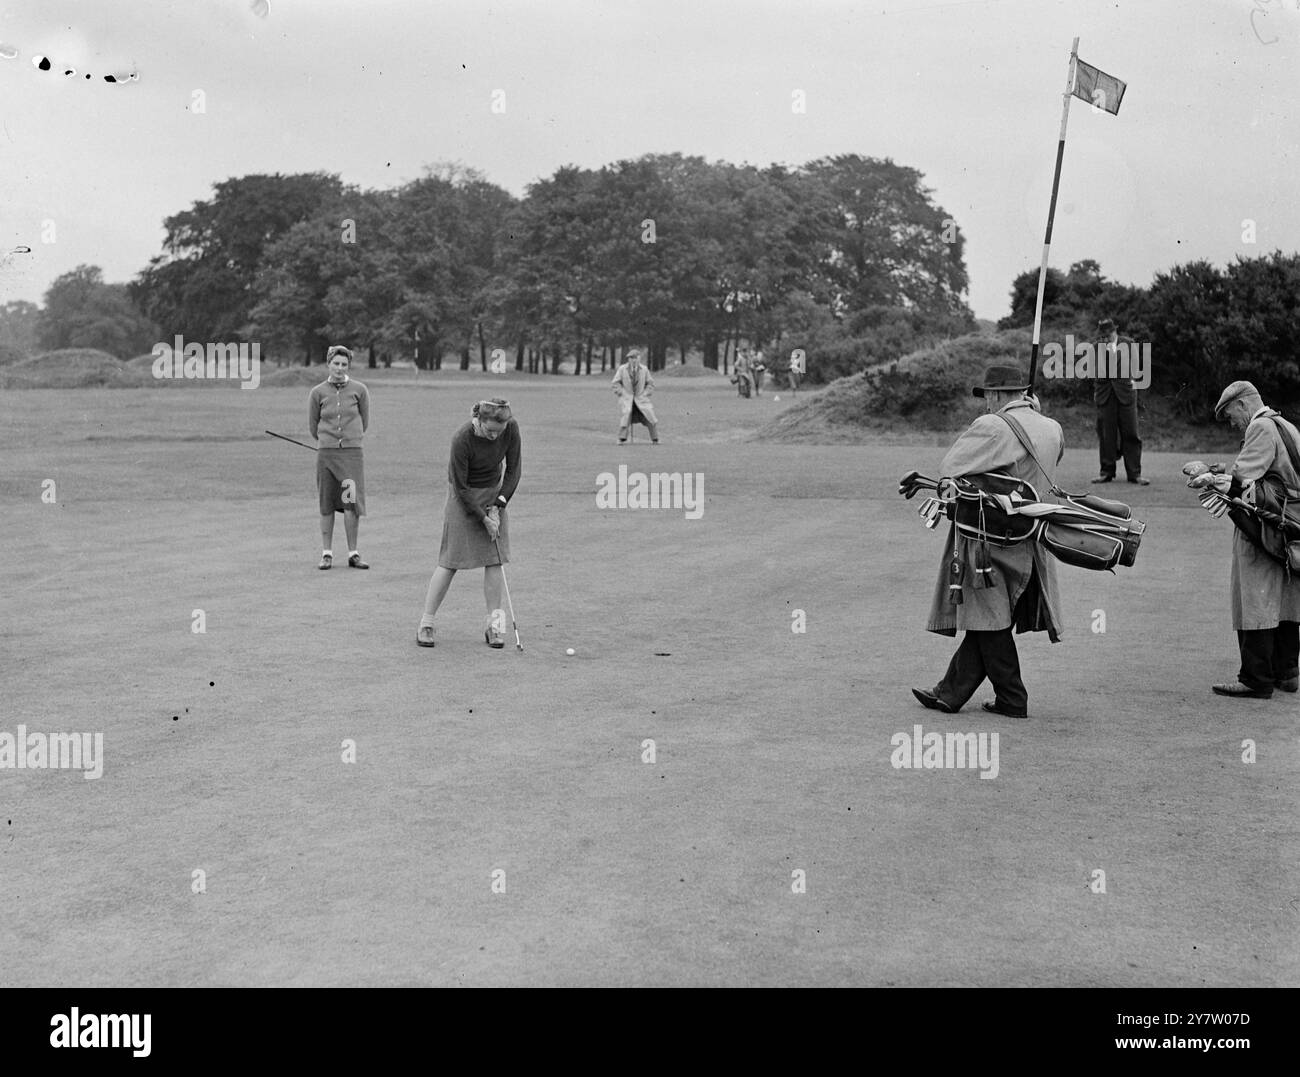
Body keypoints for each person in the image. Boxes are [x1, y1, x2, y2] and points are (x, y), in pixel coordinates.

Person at [911, 365, 1065, 719]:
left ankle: (1012, 699)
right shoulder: (1052, 426)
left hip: (991, 536)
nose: (985, 404)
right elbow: (1053, 461)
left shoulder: (991, 426)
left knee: (990, 617)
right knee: (990, 617)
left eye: (987, 397)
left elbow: (950, 467)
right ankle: (950, 693)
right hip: (1035, 537)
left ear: (996, 395)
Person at [1189, 381, 1300, 698]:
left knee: (1252, 594)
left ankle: (1256, 679)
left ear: (1242, 404)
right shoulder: (1285, 425)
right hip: (1290, 525)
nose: (1231, 424)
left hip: (1264, 527)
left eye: (1228, 416)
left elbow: (1241, 481)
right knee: (1287, 597)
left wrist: (1211, 480)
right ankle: (1287, 673)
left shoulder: (1261, 428)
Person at [416, 399, 522, 648]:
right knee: (450, 561)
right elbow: (460, 486)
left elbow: (514, 470)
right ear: (479, 420)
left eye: (500, 430)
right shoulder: (462, 438)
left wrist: (498, 505)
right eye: (489, 430)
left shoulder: (511, 428)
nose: (495, 435)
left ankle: (494, 627)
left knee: (494, 559)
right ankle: (426, 623)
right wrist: (483, 517)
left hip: (493, 495)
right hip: (463, 498)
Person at [308, 345, 370, 570]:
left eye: (344, 364)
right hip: (326, 455)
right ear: (329, 363)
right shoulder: (317, 392)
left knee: (351, 503)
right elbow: (313, 426)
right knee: (327, 503)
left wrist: (349, 440)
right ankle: (327, 554)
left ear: (348, 366)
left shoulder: (359, 390)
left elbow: (365, 421)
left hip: (352, 456)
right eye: (336, 363)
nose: (340, 368)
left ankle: (353, 553)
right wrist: (329, 441)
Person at [1091, 317, 1148, 485]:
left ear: (1114, 332)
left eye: (1107, 335)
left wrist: (1132, 378)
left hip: (1126, 393)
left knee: (1131, 433)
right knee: (1106, 434)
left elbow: (1137, 366)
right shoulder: (1096, 348)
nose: (1104, 338)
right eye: (1102, 335)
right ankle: (1106, 472)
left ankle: (1134, 474)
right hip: (1105, 394)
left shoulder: (1129, 343)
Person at [611, 348, 659, 443]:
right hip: (627, 399)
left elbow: (650, 383)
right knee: (626, 416)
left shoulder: (644, 369)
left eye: (635, 358)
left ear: (639, 358)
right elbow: (615, 383)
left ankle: (655, 438)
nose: (633, 360)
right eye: (631, 358)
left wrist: (646, 393)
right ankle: (621, 438)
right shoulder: (622, 369)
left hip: (641, 399)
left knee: (650, 416)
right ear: (628, 359)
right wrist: (621, 392)